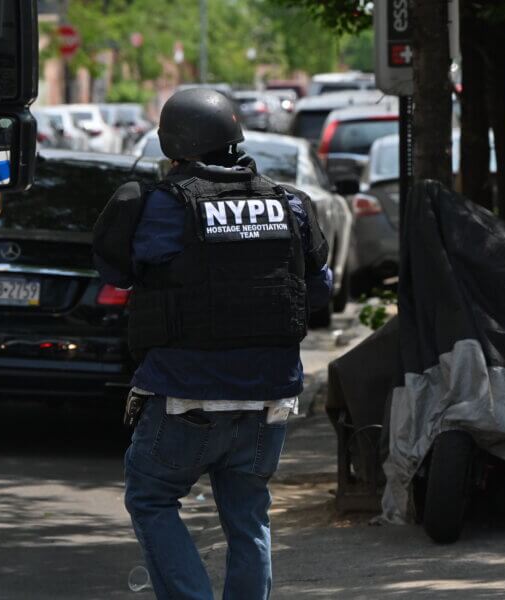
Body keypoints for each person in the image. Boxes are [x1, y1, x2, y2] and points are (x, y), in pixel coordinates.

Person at [93, 88, 332, 600]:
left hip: (187, 398)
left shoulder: (164, 206)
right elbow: (318, 287)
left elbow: (116, 270)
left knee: (153, 499)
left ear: (173, 146)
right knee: (248, 517)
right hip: (270, 401)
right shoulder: (288, 203)